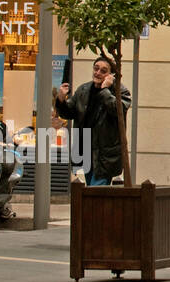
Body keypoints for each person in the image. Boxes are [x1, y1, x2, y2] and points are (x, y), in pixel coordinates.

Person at [53, 57, 130, 186]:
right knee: (91, 192)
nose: (98, 72)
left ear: (111, 75)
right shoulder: (84, 90)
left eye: (103, 70)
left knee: (96, 192)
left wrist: (105, 90)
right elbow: (69, 113)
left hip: (104, 155)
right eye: (96, 68)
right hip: (85, 150)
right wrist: (61, 99)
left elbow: (118, 110)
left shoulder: (119, 91)